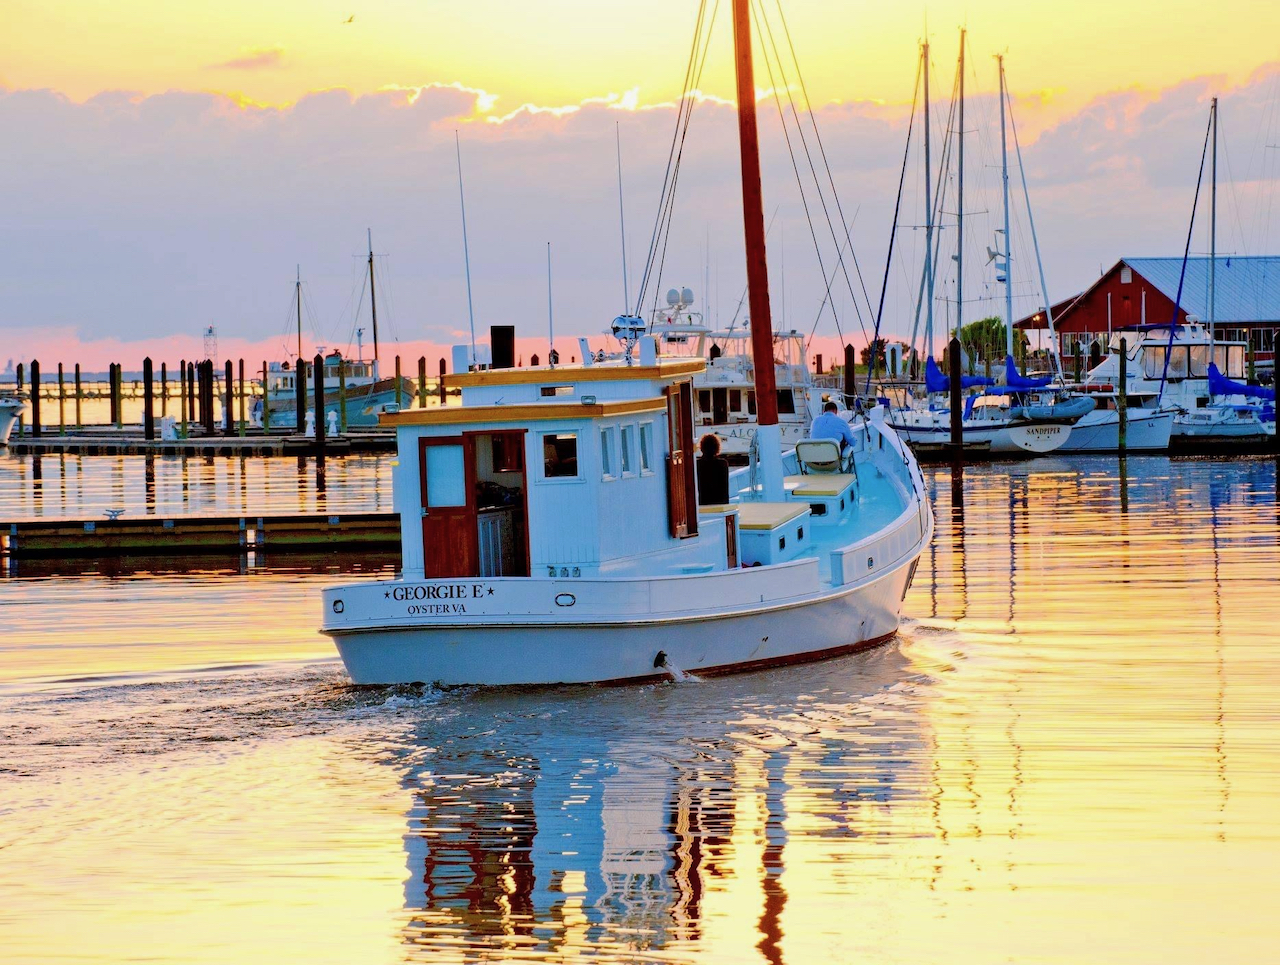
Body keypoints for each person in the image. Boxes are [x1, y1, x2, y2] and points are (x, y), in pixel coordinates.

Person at [695, 433, 730, 505]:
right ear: (717, 447)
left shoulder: (696, 464)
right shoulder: (722, 464)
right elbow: (725, 489)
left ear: (701, 447)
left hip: (702, 503)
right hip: (719, 504)